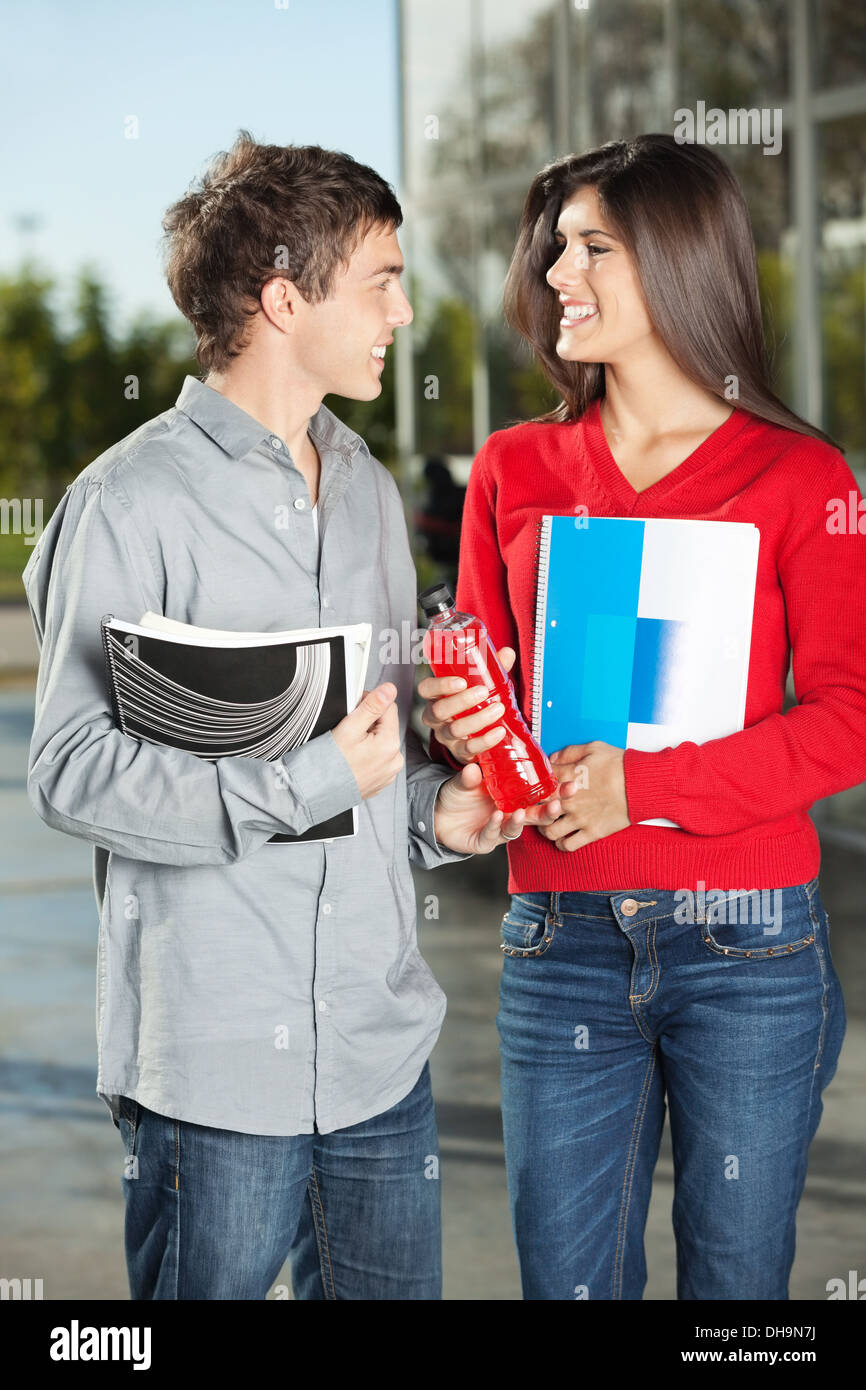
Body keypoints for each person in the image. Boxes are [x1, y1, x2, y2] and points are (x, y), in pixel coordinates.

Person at [21, 132, 562, 1301]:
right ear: (282, 298)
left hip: (379, 1058)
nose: (403, 312)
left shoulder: (367, 491)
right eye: (381, 282)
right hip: (211, 1077)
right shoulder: (126, 503)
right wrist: (309, 777)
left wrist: (439, 816)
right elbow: (68, 768)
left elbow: (374, 763)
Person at [419, 133, 865, 1300]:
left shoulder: (800, 479)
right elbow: (490, 703)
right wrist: (460, 730)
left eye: (592, 248)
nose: (554, 272)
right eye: (554, 248)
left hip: (746, 944)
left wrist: (644, 786)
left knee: (735, 1298)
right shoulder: (512, 468)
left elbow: (848, 717)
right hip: (556, 938)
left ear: (675, 260)